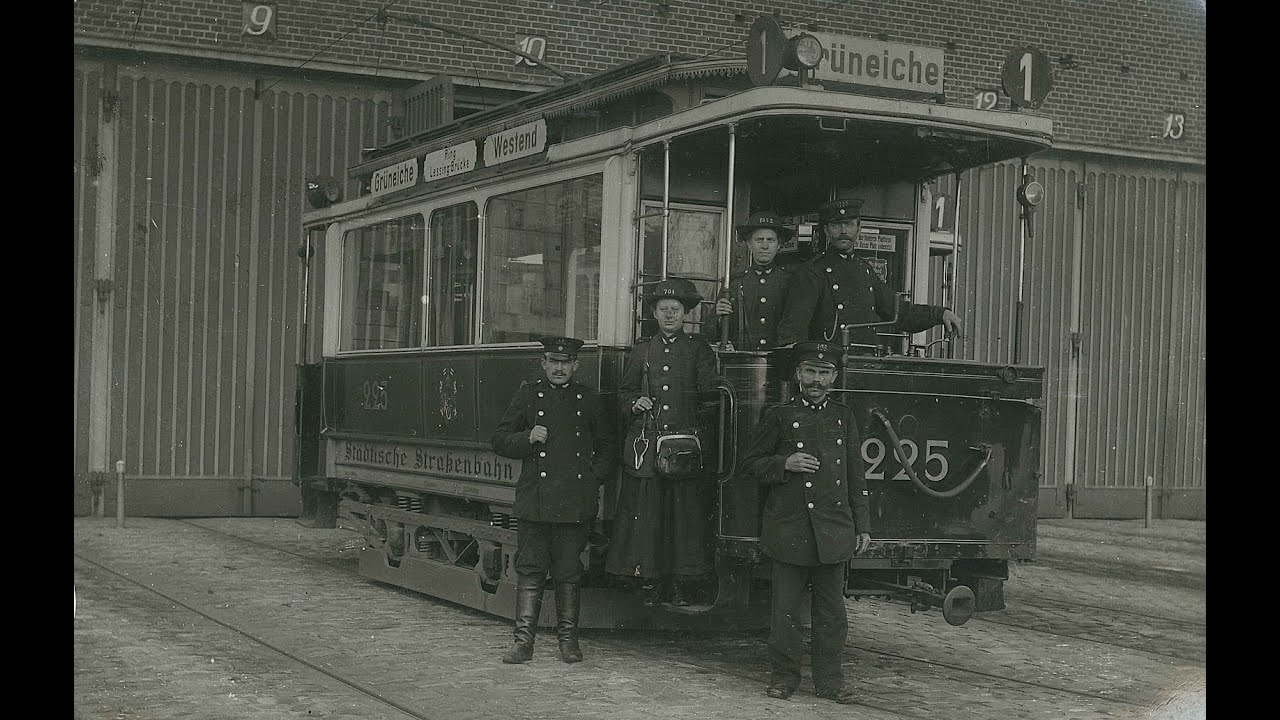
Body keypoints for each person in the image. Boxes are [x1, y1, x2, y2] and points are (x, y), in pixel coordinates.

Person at [739, 341, 871, 704]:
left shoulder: (844, 416)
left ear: (834, 377)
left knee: (832, 616)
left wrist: (863, 526)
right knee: (785, 613)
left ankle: (831, 683)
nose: (817, 380)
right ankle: (783, 679)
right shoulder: (778, 415)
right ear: (797, 375)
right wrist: (784, 463)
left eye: (824, 373)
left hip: (833, 529)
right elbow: (751, 464)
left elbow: (856, 476)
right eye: (810, 372)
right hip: (791, 529)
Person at [490, 336, 617, 664]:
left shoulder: (589, 400)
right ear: (543, 363)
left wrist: (591, 479)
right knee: (531, 571)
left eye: (566, 362)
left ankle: (568, 641)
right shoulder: (528, 395)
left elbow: (607, 448)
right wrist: (526, 438)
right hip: (536, 501)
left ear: (576, 365)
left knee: (568, 572)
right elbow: (500, 439)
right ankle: (523, 642)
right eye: (553, 361)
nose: (559, 368)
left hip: (574, 503)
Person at [606, 278, 723, 606]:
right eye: (663, 309)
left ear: (686, 314)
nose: (670, 315)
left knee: (682, 518)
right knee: (650, 516)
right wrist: (635, 403)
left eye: (676, 310)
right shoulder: (643, 349)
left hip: (684, 447)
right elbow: (624, 392)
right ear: (654, 313)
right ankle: (649, 582)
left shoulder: (698, 349)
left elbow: (709, 396)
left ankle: (680, 584)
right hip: (649, 444)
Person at [776, 198, 963, 350]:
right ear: (826, 230)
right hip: (827, 369)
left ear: (859, 228)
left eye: (849, 225)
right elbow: (794, 329)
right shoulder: (812, 271)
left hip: (864, 363)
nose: (843, 232)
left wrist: (940, 314)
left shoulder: (865, 270)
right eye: (836, 225)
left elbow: (899, 313)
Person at [706, 210, 796, 351]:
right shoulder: (734, 282)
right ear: (749, 244)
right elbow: (711, 333)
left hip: (779, 360)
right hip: (743, 360)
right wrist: (719, 317)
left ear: (779, 245)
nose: (765, 246)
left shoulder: (790, 281)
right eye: (759, 240)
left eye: (770, 240)